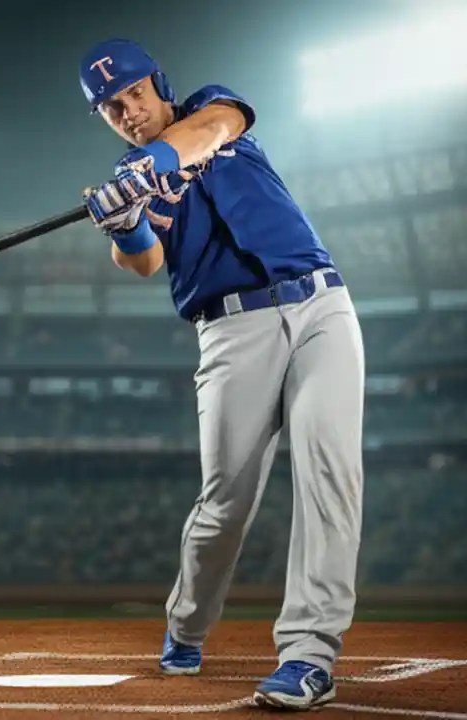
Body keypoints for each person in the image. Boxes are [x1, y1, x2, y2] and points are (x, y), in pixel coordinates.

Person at [77, 39, 366, 710]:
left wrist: (151, 165)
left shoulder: (209, 106)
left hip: (322, 304)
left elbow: (214, 131)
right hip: (231, 330)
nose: (125, 111)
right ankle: (186, 626)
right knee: (225, 503)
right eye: (109, 107)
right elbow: (145, 263)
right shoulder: (128, 175)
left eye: (132, 94)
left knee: (332, 473)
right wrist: (123, 226)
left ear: (158, 84)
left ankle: (308, 654)